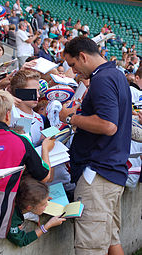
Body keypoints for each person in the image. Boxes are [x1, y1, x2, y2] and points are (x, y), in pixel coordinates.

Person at [59, 36, 132, 255]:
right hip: (110, 173)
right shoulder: (116, 75)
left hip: (98, 175)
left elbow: (108, 125)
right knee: (111, 240)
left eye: (73, 65)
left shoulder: (102, 78)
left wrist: (71, 118)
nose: (74, 72)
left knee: (90, 247)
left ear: (82, 56)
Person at [0, 89, 54, 238]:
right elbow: (44, 175)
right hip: (1, 219)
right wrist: (46, 149)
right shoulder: (21, 141)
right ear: (9, 114)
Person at [7, 176, 66, 247]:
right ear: (29, 207)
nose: (47, 204)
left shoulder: (19, 201)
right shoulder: (11, 220)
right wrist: (47, 226)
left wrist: (43, 197)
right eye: (44, 204)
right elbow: (22, 240)